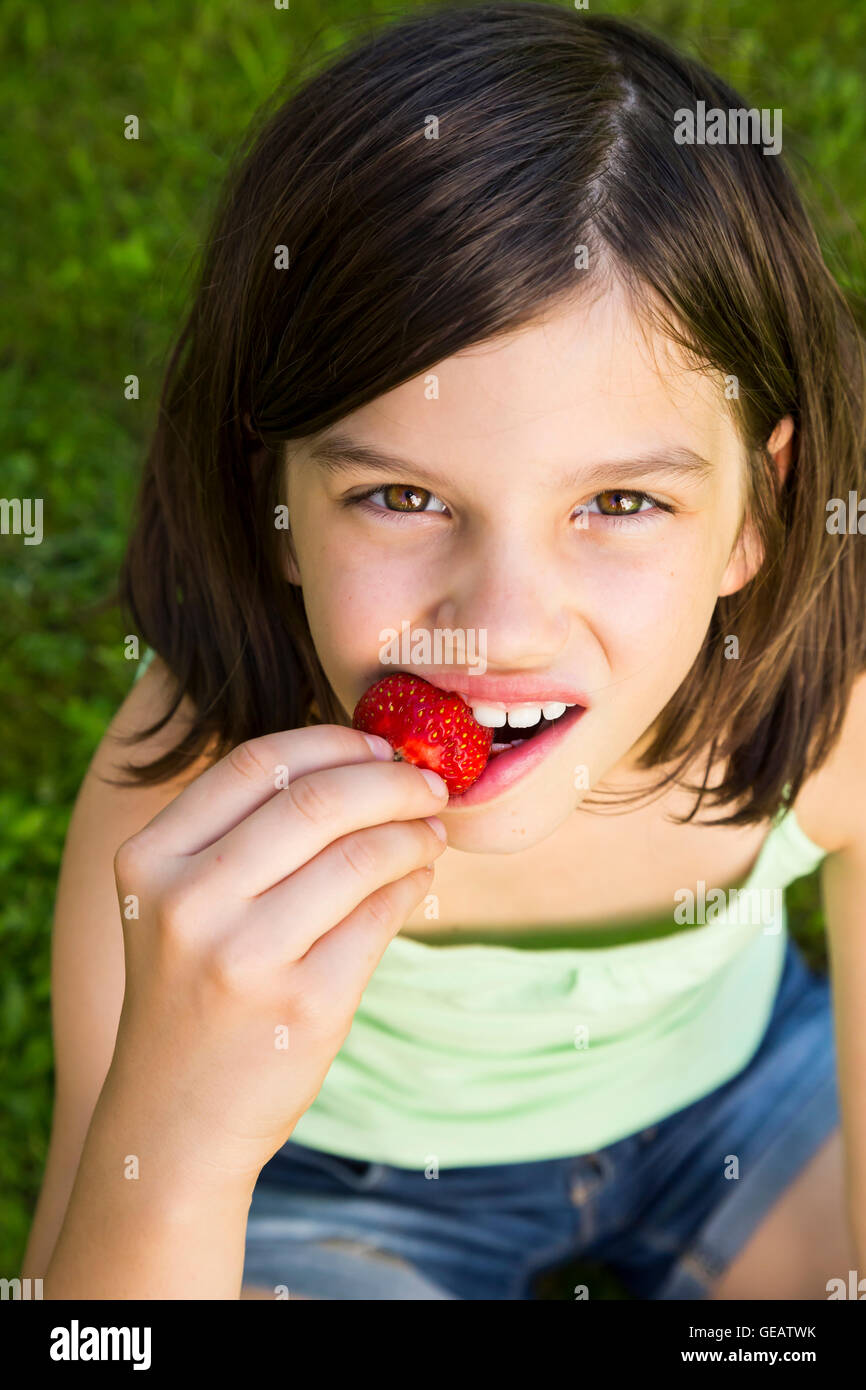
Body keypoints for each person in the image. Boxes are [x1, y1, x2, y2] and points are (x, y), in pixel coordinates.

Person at [24, 4, 866, 1299]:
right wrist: (175, 1138)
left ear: (754, 511)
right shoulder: (179, 791)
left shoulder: (828, 712)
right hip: (342, 1195)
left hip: (739, 1114)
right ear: (278, 507)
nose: (503, 621)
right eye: (402, 498)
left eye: (620, 502)